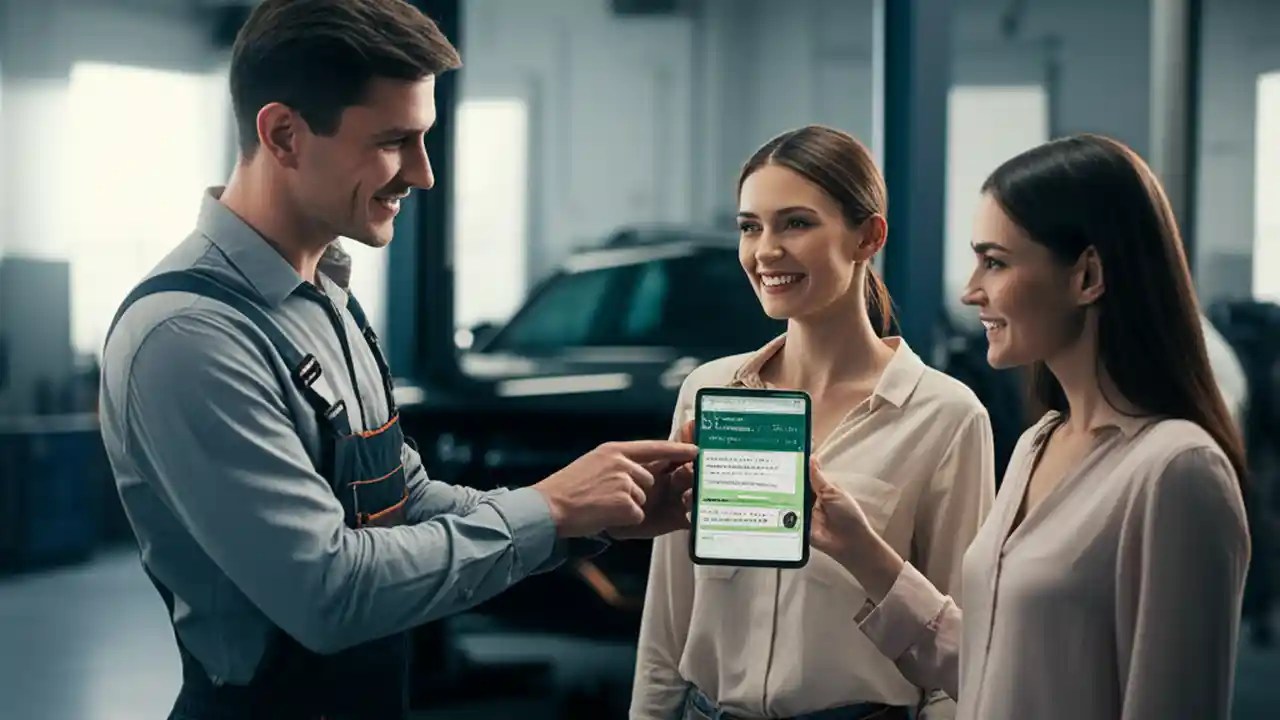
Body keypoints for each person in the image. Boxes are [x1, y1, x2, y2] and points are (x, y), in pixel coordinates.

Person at [97, 2, 697, 719]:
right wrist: (549, 508)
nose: (424, 174)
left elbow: (402, 505)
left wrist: (585, 512)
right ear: (284, 134)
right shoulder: (190, 338)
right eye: (394, 141)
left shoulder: (328, 299)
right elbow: (328, 592)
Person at [804, 133, 1251, 719]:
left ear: (1087, 276)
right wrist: (863, 551)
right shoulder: (1038, 443)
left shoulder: (1177, 470)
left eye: (995, 261)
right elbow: (991, 666)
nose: (970, 291)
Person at [630, 125, 996, 720]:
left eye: (795, 223)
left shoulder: (946, 416)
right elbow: (668, 616)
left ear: (867, 236)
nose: (765, 250)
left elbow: (959, 653)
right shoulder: (710, 393)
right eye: (751, 226)